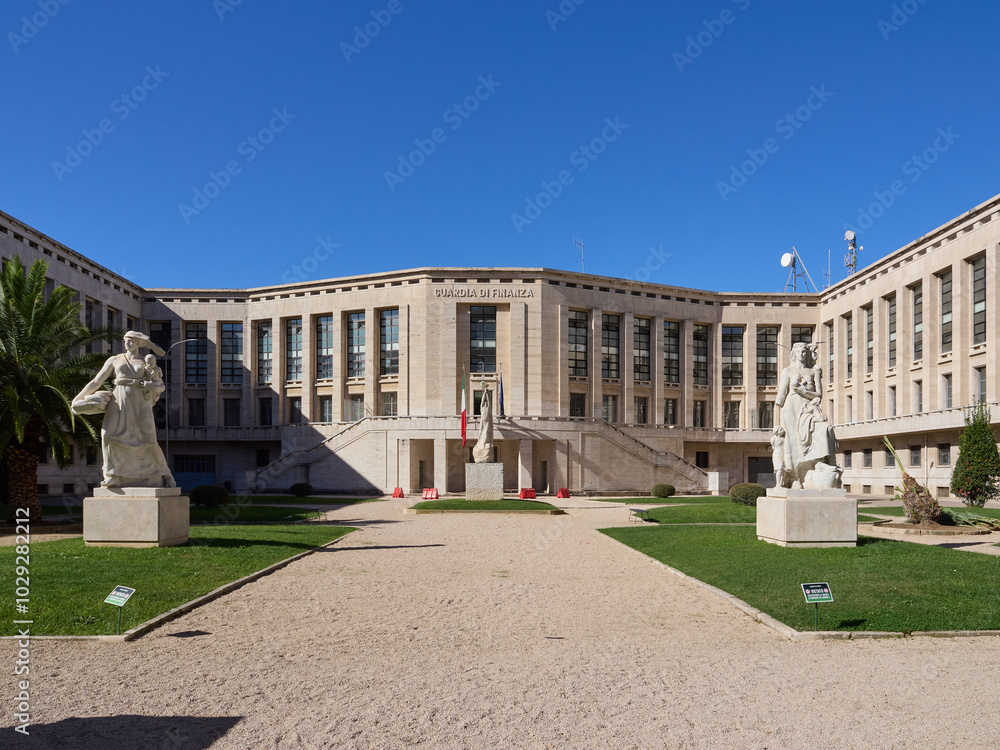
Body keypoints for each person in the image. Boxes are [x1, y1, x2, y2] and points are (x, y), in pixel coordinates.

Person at [73, 331, 175, 488]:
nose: (127, 343)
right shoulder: (115, 359)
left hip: (141, 403)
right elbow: (96, 381)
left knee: (149, 440)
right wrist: (77, 399)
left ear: (138, 343)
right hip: (119, 400)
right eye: (125, 340)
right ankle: (112, 475)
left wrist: (148, 384)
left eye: (131, 341)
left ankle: (167, 475)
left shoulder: (146, 363)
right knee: (107, 435)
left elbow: (160, 386)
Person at [774, 342, 838, 487]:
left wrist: (803, 392)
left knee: (823, 429)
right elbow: (780, 398)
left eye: (804, 351)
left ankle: (819, 462)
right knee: (793, 442)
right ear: (794, 354)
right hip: (790, 409)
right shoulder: (787, 371)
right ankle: (795, 478)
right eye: (799, 352)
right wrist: (777, 423)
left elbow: (819, 395)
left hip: (808, 408)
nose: (802, 354)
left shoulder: (813, 372)